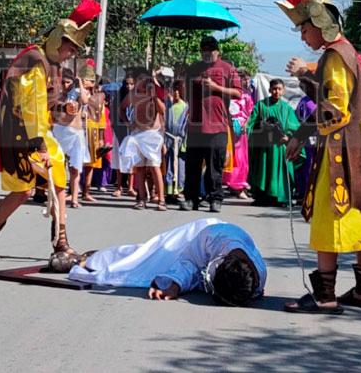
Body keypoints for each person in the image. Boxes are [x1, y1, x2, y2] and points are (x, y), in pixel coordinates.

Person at [276, 0, 361, 314]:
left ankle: (325, 296)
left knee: (329, 219)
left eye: (305, 28)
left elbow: (335, 111)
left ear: (321, 24)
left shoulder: (334, 56)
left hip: (341, 154)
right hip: (360, 152)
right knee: (360, 223)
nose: (303, 35)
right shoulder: (350, 53)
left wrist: (299, 129)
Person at [0, 0, 100, 267]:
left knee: (58, 183)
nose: (71, 53)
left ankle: (61, 245)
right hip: (21, 134)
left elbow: (48, 105)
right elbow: (29, 108)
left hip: (40, 132)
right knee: (23, 192)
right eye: (70, 47)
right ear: (59, 41)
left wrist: (65, 107)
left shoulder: (52, 64)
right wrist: (39, 146)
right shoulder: (34, 59)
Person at [69, 218, 266, 306]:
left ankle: (98, 256)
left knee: (145, 258)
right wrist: (174, 283)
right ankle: (92, 260)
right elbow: (188, 262)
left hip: (209, 259)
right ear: (219, 262)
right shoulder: (213, 235)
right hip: (191, 238)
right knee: (145, 258)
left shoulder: (257, 278)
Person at [183, 36, 242, 213]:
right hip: (195, 126)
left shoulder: (228, 69)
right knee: (192, 165)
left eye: (210, 50)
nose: (207, 54)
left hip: (218, 126)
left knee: (214, 167)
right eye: (204, 51)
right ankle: (191, 199)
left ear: (218, 51)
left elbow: (238, 93)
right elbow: (185, 93)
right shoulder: (193, 68)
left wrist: (217, 88)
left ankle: (215, 198)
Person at [247, 78, 301, 206]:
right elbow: (251, 123)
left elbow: (295, 127)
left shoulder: (287, 108)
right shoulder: (261, 105)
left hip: (280, 146)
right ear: (270, 90)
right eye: (274, 89)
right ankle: (262, 197)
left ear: (283, 90)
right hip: (264, 147)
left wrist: (288, 137)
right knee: (263, 171)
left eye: (279, 89)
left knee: (280, 171)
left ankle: (280, 198)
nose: (276, 92)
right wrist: (261, 128)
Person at [119, 70, 167, 211]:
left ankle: (161, 199)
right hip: (138, 133)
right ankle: (141, 198)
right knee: (139, 168)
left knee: (154, 167)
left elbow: (162, 110)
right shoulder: (133, 94)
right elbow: (122, 109)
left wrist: (154, 97)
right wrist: (128, 122)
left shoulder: (154, 93)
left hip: (153, 134)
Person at [53, 68, 88, 209]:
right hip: (60, 132)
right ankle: (56, 196)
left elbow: (85, 101)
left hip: (75, 134)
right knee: (58, 166)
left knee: (75, 169)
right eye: (62, 82)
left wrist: (80, 84)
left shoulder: (78, 94)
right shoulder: (58, 95)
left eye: (67, 82)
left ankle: (74, 199)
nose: (65, 85)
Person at [224, 70, 254, 199]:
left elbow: (251, 114)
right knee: (227, 156)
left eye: (247, 79)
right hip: (227, 129)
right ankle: (228, 183)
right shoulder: (227, 95)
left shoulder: (247, 96)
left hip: (240, 131)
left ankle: (239, 186)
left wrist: (245, 125)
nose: (245, 82)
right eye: (242, 79)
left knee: (240, 158)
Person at [81, 61, 107, 203]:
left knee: (91, 163)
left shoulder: (99, 96)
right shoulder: (79, 92)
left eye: (90, 80)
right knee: (76, 162)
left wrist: (102, 138)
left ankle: (86, 191)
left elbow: (101, 117)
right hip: (80, 129)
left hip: (93, 131)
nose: (88, 82)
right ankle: (73, 191)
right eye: (86, 79)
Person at [110, 71, 136, 198]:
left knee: (132, 158)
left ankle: (130, 187)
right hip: (120, 131)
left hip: (133, 133)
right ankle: (118, 186)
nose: (129, 87)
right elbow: (114, 114)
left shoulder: (137, 97)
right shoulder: (118, 97)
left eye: (132, 84)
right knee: (119, 158)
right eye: (127, 84)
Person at [164, 80, 188, 204]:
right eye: (174, 90)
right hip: (168, 140)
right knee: (168, 166)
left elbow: (186, 126)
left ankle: (179, 191)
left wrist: (184, 144)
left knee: (180, 167)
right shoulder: (167, 106)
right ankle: (168, 191)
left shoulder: (185, 107)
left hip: (179, 142)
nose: (176, 93)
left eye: (179, 90)